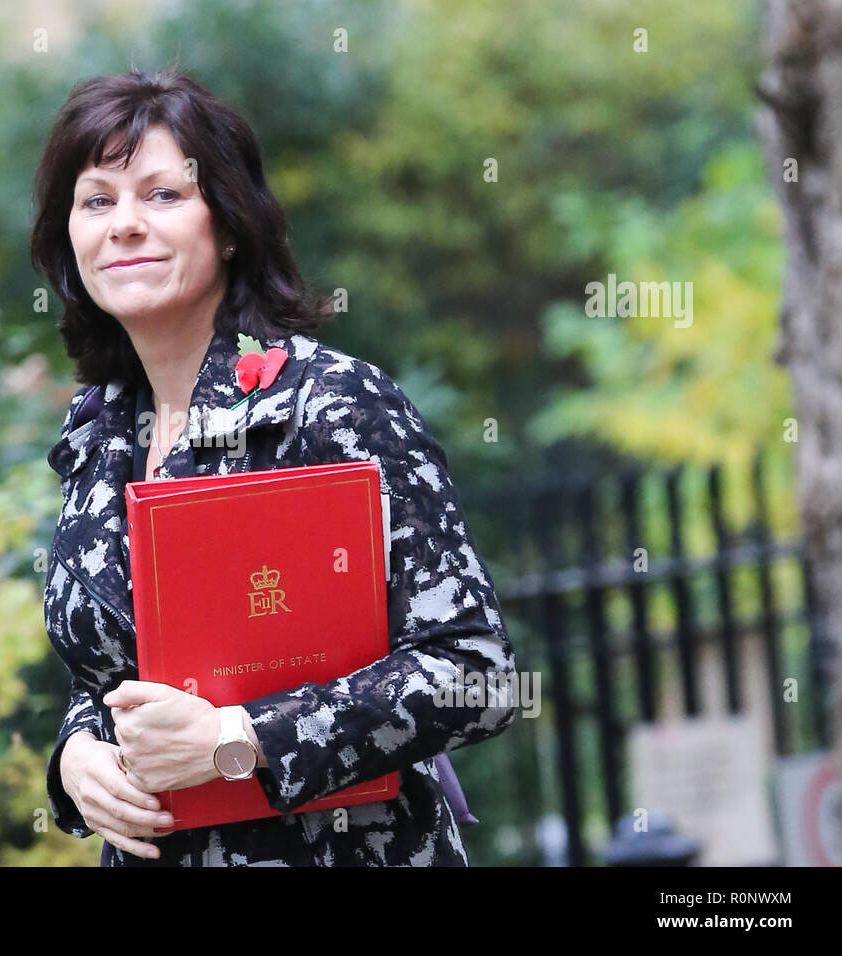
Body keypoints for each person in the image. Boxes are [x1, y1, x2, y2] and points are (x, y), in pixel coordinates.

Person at [30, 68, 517, 866]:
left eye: (162, 195)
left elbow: (475, 673)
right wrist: (79, 754)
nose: (124, 225)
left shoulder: (332, 403)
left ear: (227, 225)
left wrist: (237, 739)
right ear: (70, 237)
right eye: (97, 200)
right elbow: (116, 673)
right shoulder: (99, 433)